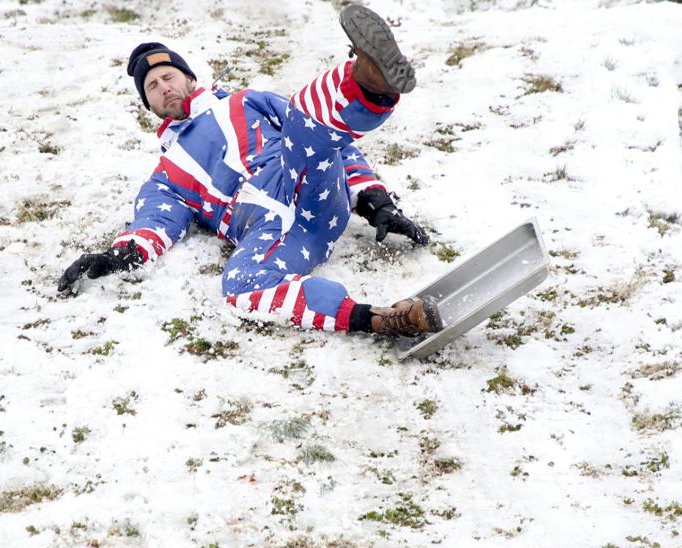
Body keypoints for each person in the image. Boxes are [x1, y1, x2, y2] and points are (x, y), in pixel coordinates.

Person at [57, 3, 443, 337]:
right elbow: (156, 221)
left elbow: (327, 142)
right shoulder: (165, 176)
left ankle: (368, 80)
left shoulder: (245, 102)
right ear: (150, 105)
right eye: (152, 86)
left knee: (302, 121)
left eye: (168, 76)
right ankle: (381, 318)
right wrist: (121, 255)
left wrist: (374, 200)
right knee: (239, 286)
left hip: (302, 186)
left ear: (190, 78)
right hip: (274, 233)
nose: (163, 87)